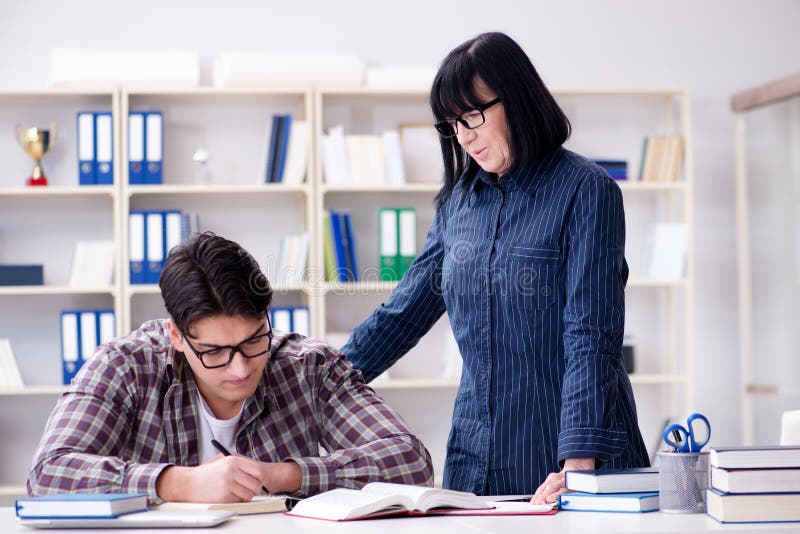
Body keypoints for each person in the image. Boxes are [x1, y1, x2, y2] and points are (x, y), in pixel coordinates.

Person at [342, 32, 648, 503]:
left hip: (566, 458)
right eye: (452, 123)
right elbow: (402, 316)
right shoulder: (459, 204)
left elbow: (591, 334)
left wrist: (578, 464)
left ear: (518, 100)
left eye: (473, 115)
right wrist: (316, 384)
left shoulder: (586, 191)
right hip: (475, 459)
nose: (464, 135)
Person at [28, 232, 433, 502]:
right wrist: (180, 483)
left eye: (254, 340)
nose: (239, 369)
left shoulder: (309, 367)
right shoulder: (124, 366)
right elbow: (47, 475)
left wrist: (283, 476)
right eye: (215, 352)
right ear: (175, 336)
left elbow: (411, 462)